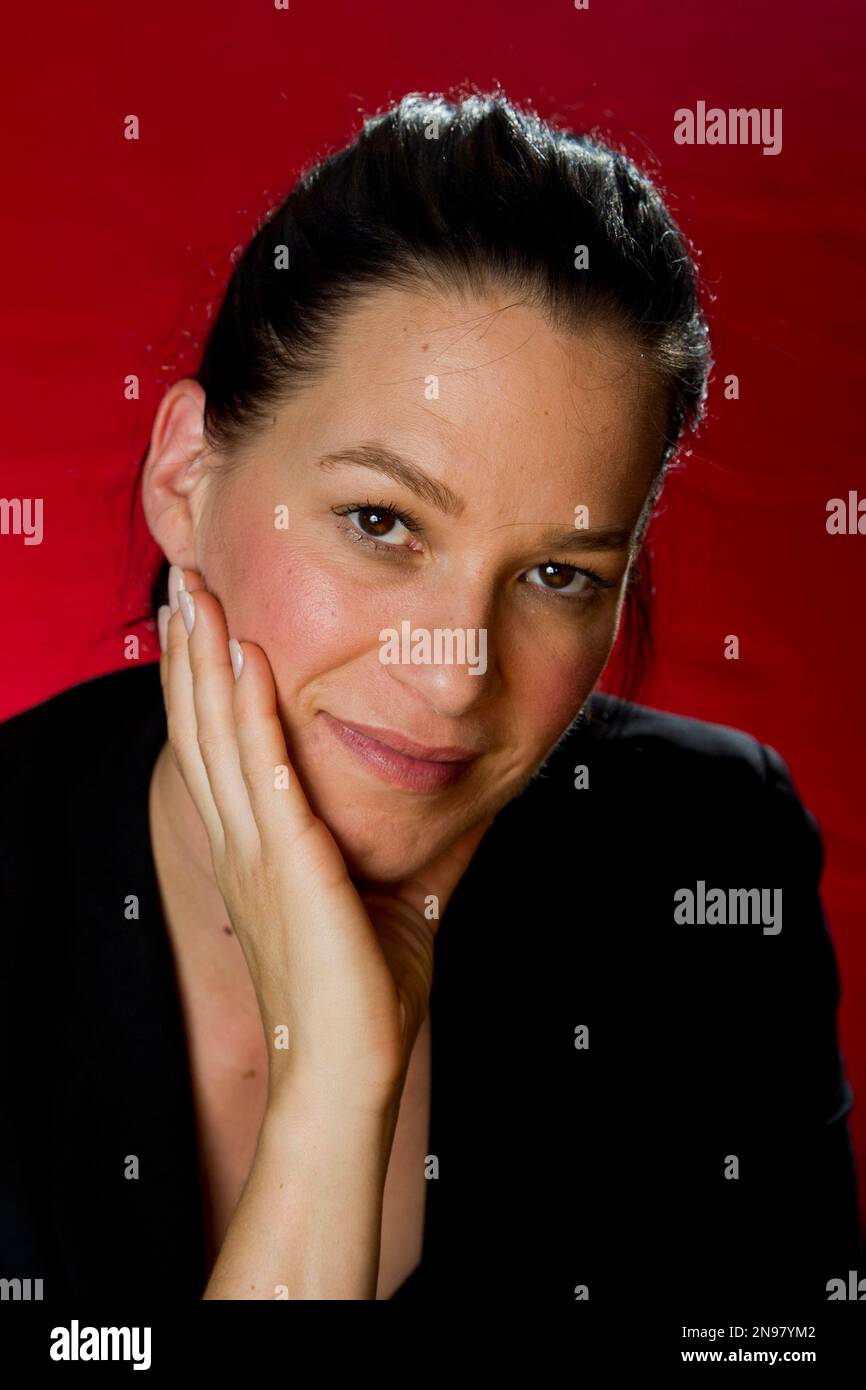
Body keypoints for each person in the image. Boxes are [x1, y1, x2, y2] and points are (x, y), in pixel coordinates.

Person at [0, 89, 858, 1308]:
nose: (456, 670)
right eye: (379, 521)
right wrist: (335, 1092)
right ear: (186, 475)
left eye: (559, 575)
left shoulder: (704, 855)